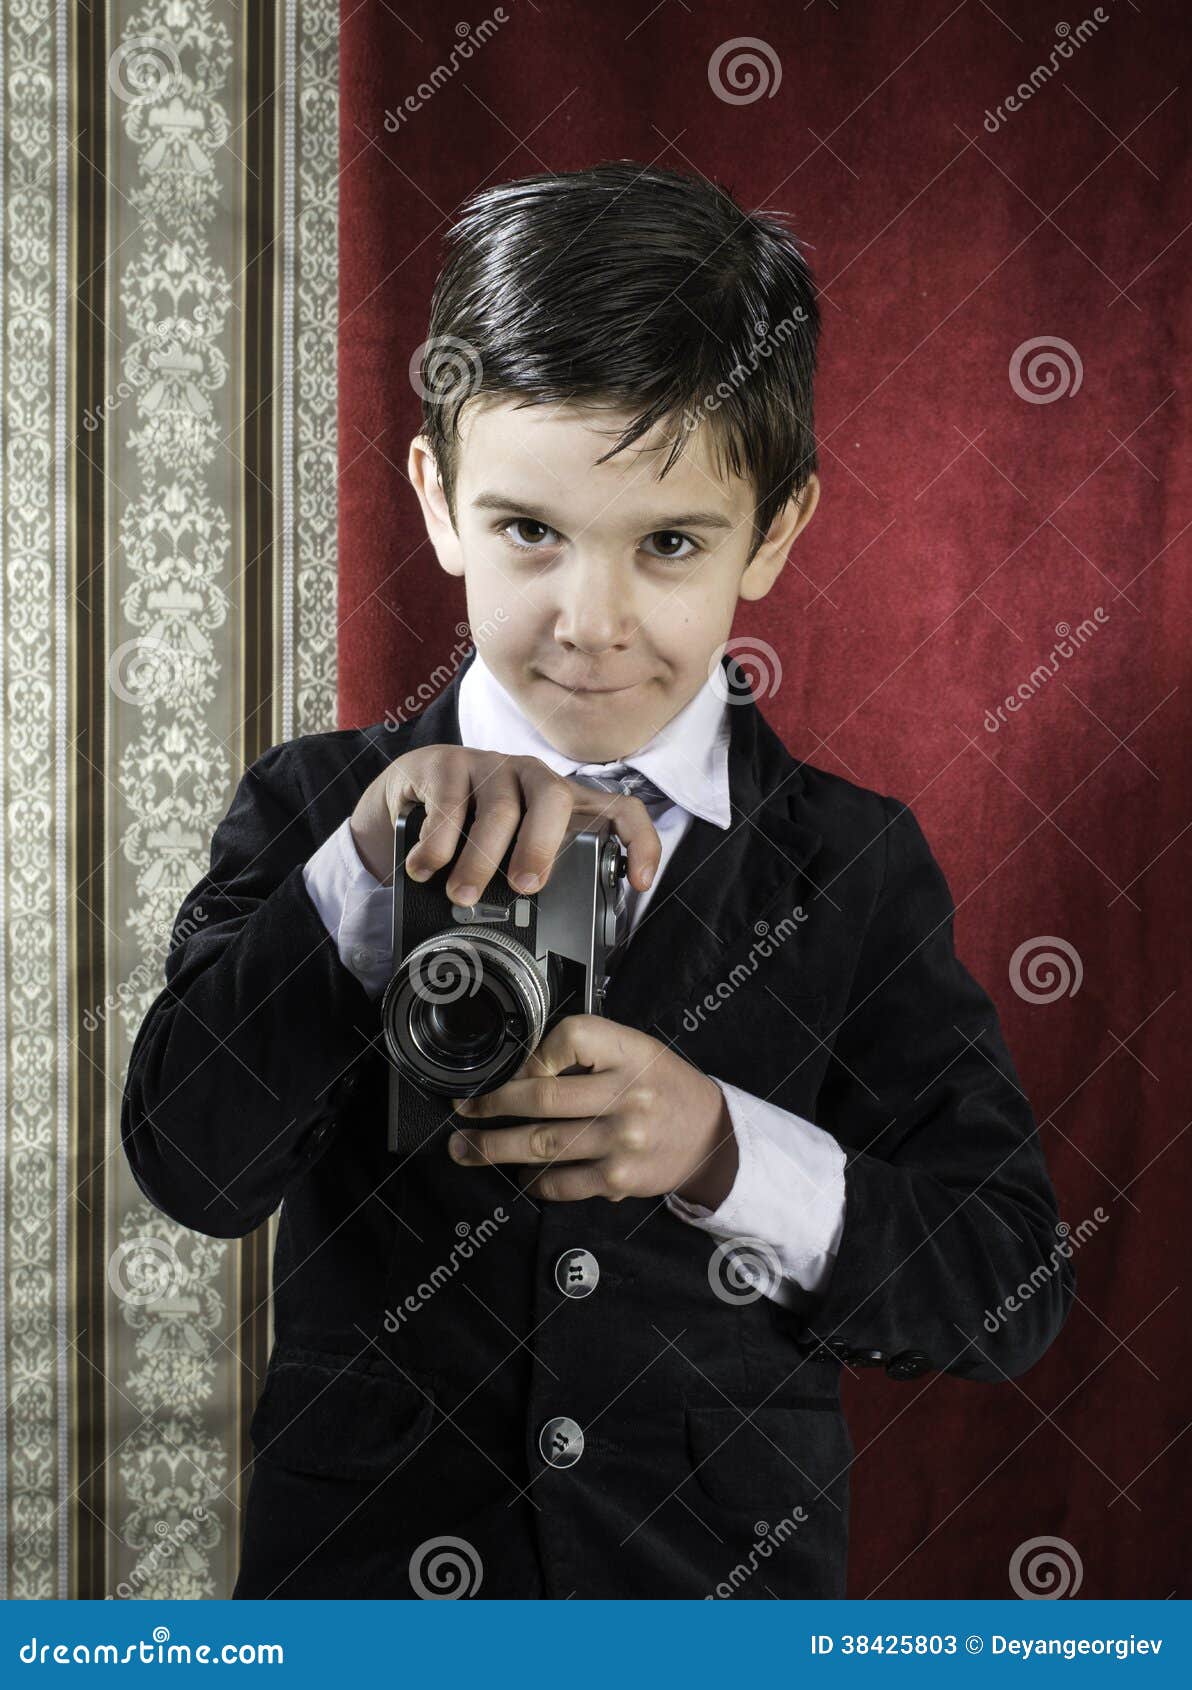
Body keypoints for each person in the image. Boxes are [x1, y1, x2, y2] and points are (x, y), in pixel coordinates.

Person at [121, 161, 1074, 1601]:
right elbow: (190, 1167)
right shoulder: (316, 810)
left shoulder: (850, 863)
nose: (591, 619)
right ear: (437, 502)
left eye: (671, 543)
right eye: (529, 531)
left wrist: (721, 1149)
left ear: (778, 532)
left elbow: (1008, 1285)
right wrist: (359, 887)